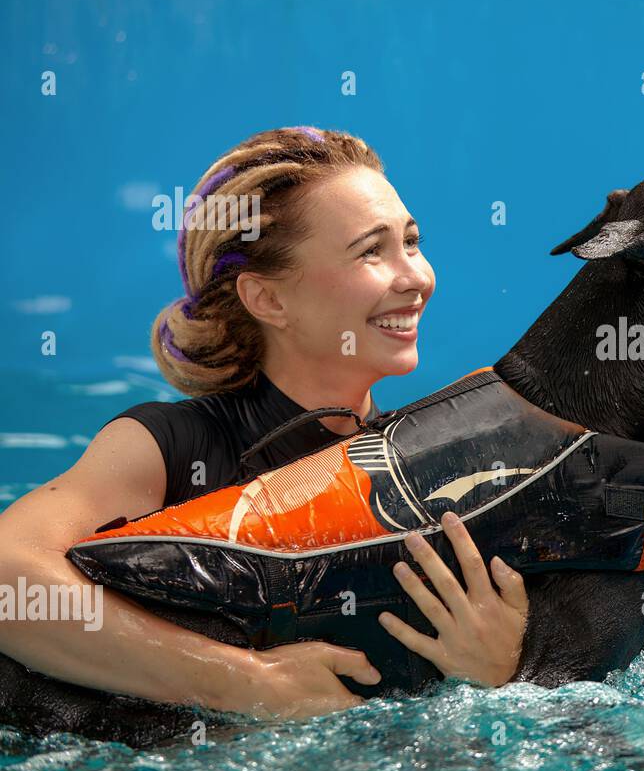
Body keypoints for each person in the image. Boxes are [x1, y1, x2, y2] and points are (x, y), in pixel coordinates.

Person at [0, 126, 528, 732]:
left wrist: (498, 678)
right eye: (371, 251)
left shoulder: (431, 472)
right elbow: (9, 579)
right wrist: (249, 682)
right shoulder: (172, 447)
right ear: (268, 300)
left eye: (412, 242)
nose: (416, 277)